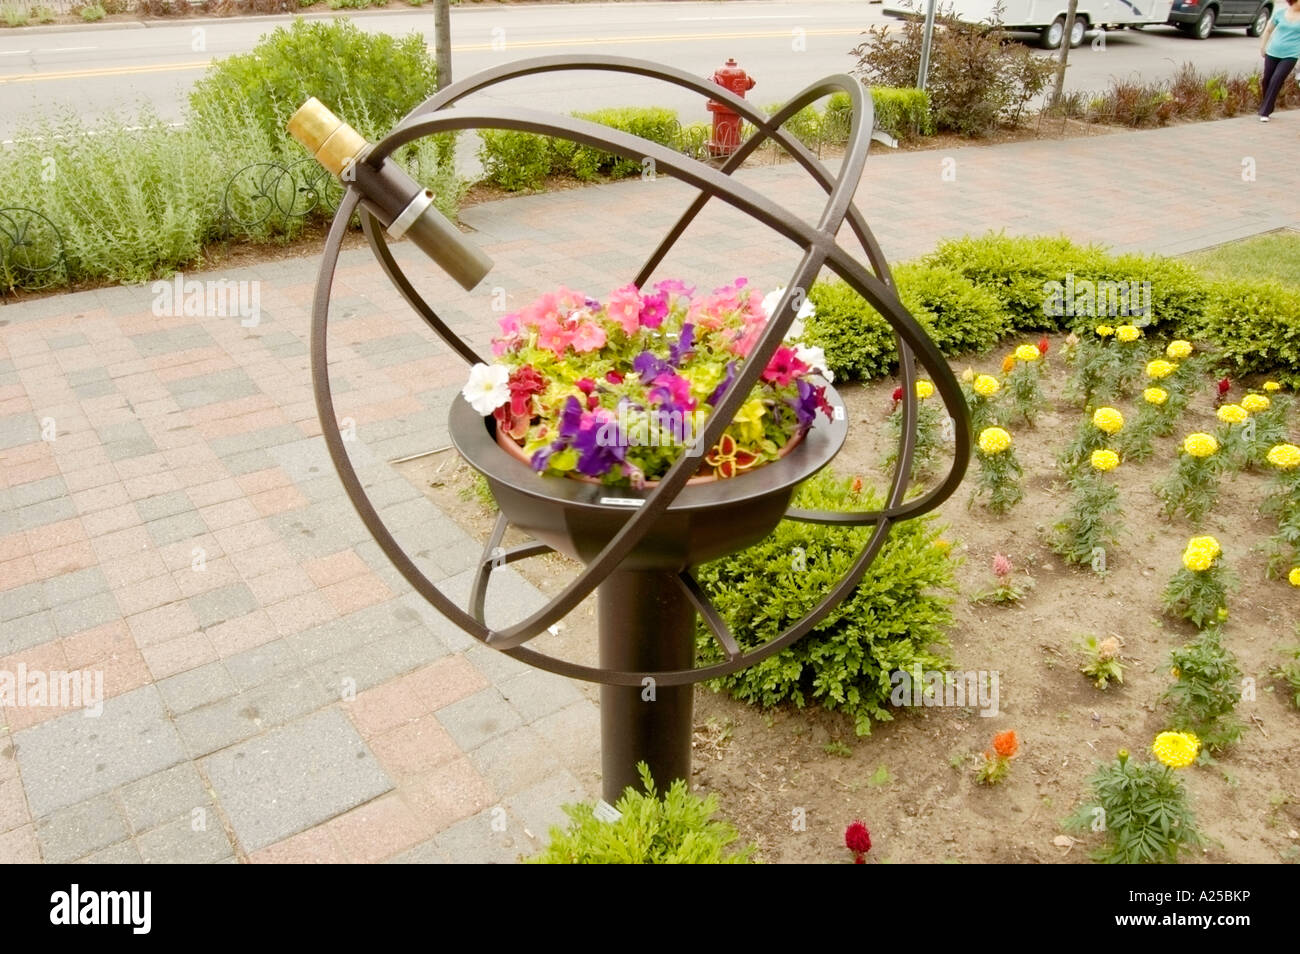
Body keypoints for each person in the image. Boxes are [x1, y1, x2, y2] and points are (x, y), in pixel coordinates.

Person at [1259, 0, 1300, 121]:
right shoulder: (1280, 13)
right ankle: (1268, 105)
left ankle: (1265, 112)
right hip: (1272, 52)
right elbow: (1268, 30)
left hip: (1290, 55)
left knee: (1276, 79)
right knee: (1266, 80)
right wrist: (1263, 46)